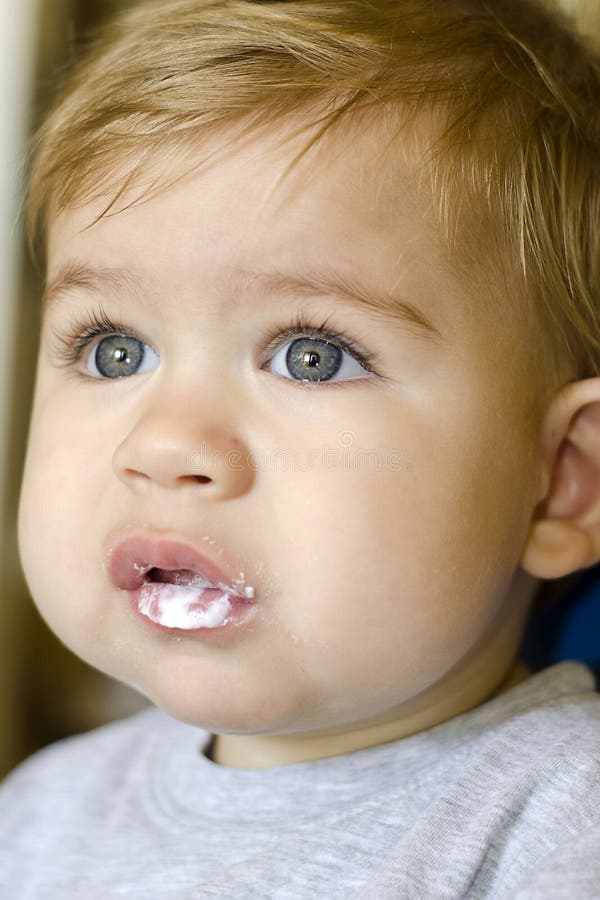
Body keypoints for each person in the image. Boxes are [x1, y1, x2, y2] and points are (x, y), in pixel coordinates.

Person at [2, 0, 600, 896]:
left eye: (311, 358)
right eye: (113, 349)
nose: (163, 444)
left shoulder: (559, 823)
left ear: (559, 483)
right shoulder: (39, 814)